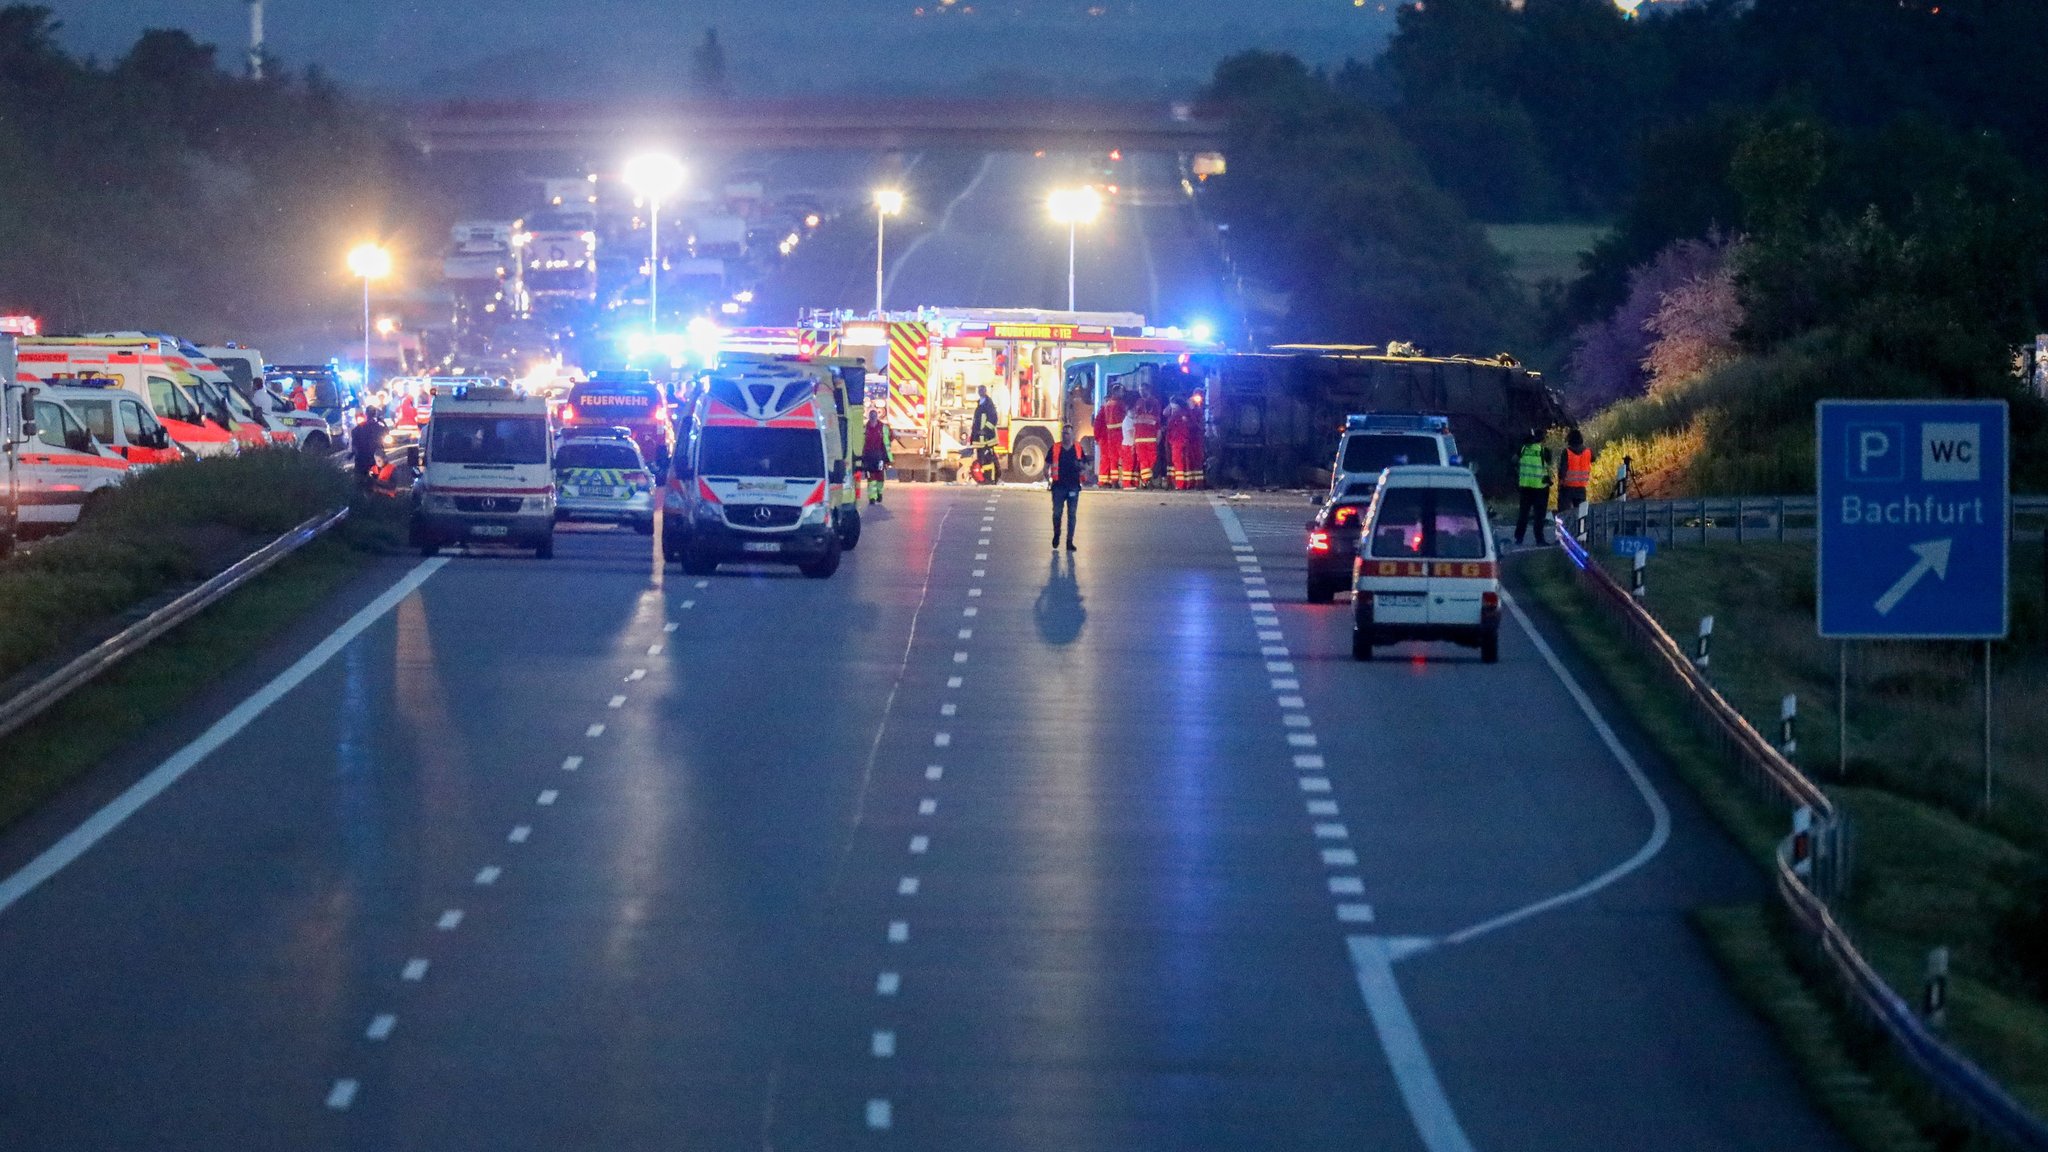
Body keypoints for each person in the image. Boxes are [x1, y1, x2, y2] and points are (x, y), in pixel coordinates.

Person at [1513, 428, 1552, 546]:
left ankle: (1518, 538)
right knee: (1539, 515)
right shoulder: (1544, 451)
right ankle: (1539, 539)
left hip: (1525, 486)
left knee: (1523, 513)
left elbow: (1513, 461)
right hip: (1540, 487)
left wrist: (1519, 472)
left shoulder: (1522, 449)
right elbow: (1548, 465)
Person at [1049, 423, 1085, 551]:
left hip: (1073, 487)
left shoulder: (1078, 448)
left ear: (1072, 435)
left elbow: (1084, 465)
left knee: (1072, 515)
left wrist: (1082, 469)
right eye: (1063, 433)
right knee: (1057, 513)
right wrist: (1048, 479)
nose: (1065, 436)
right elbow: (1047, 463)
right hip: (1058, 487)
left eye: (1067, 433)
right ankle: (1056, 535)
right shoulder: (1055, 447)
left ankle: (1069, 542)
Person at [1129, 385, 1161, 489]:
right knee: (1144, 460)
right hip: (1142, 438)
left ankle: (1146, 480)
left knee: (1149, 460)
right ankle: (1147, 481)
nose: (1141, 392)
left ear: (1149, 390)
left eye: (1143, 390)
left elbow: (1158, 424)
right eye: (1140, 390)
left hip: (1148, 438)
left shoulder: (1153, 402)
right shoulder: (1139, 403)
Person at [1096, 385, 1126, 489]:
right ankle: (1119, 481)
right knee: (1120, 457)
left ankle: (1113, 481)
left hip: (1109, 435)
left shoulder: (1107, 405)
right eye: (1121, 392)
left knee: (1112, 459)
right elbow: (1123, 419)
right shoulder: (1118, 404)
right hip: (1115, 435)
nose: (1123, 394)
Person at [861, 408, 892, 505]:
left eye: (874, 416)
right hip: (868, 456)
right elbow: (861, 443)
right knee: (870, 478)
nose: (873, 418)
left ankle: (879, 493)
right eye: (871, 416)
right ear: (869, 417)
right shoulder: (864, 428)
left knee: (880, 477)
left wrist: (888, 458)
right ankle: (872, 497)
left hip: (879, 456)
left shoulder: (883, 427)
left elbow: (887, 442)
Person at [969, 385, 999, 485]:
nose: (980, 392)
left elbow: (993, 419)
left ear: (985, 391)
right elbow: (977, 421)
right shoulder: (980, 403)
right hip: (980, 439)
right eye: (979, 390)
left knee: (988, 460)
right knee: (982, 459)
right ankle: (984, 479)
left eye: (982, 390)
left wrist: (985, 430)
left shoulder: (988, 404)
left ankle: (990, 479)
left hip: (987, 438)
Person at [1560, 427, 1592, 517]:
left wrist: (1561, 482)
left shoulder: (1566, 452)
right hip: (1581, 488)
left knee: (1564, 515)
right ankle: (1580, 530)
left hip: (1567, 488)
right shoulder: (1588, 452)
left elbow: (1563, 470)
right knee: (1581, 515)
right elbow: (1593, 459)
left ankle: (1566, 530)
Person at [351, 407, 387, 489]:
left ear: (366, 414)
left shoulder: (359, 428)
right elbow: (386, 431)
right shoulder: (378, 426)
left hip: (361, 459)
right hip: (375, 459)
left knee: (359, 483)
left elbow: (354, 443)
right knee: (378, 482)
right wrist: (381, 421)